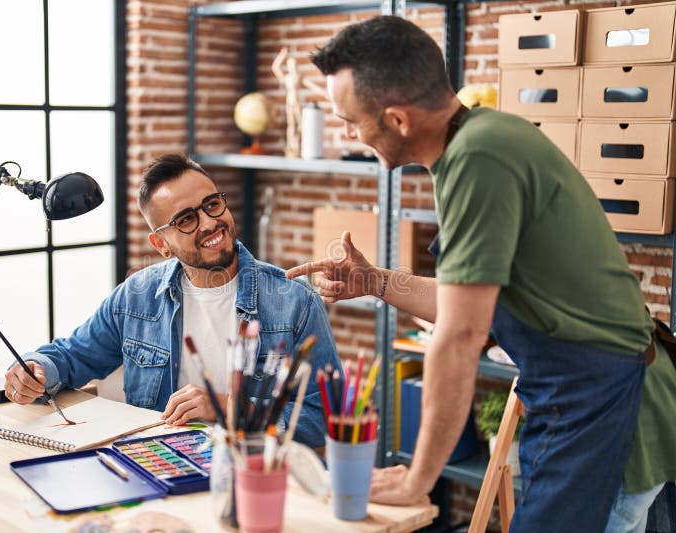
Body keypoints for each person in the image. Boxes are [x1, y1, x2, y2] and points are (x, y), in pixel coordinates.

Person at [287, 15, 676, 532]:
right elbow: (468, 304)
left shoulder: (478, 158)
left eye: (351, 121)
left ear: (399, 120)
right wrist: (375, 282)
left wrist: (416, 479)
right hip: (580, 399)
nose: (348, 134)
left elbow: (462, 335)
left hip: (609, 406)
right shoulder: (472, 145)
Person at [5, 153, 341, 449]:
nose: (210, 223)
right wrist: (35, 371)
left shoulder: (294, 302)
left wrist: (228, 407)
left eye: (212, 204)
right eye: (185, 220)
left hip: (254, 476)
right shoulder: (137, 296)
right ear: (160, 244)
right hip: (160, 465)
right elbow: (70, 357)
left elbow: (326, 419)